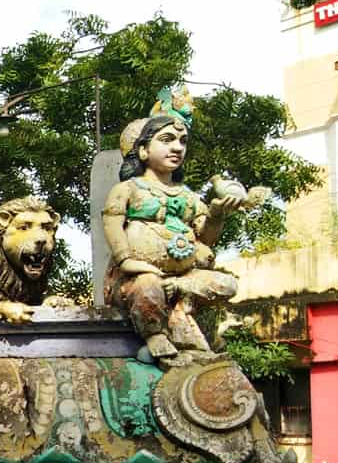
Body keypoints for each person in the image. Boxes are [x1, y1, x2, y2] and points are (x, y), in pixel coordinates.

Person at [102, 108, 241, 367]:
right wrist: (126, 261)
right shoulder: (128, 189)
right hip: (135, 279)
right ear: (143, 151)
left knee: (227, 284)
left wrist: (216, 215)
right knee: (148, 286)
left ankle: (176, 292)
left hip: (183, 278)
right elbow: (111, 223)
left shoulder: (188, 196)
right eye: (166, 140)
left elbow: (205, 239)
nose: (177, 147)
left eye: (182, 141)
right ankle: (155, 335)